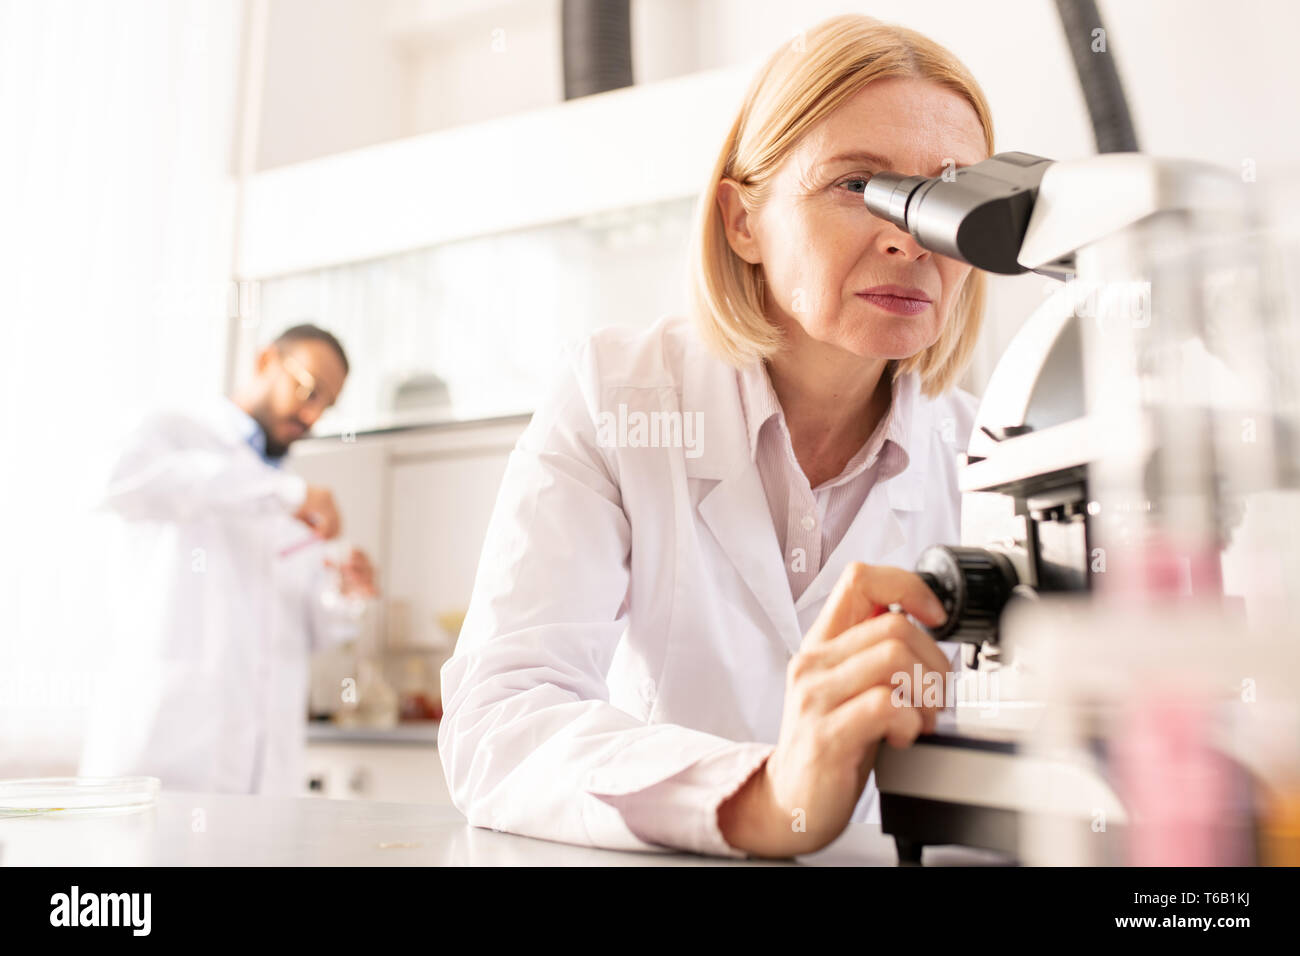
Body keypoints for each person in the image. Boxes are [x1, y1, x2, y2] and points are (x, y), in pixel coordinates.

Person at [439, 14, 992, 858]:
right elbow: (501, 721)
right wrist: (766, 795)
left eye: (949, 193)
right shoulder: (616, 397)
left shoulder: (993, 455)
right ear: (742, 221)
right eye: (857, 184)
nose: (907, 234)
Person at [80, 324, 379, 795]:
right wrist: (286, 494)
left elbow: (310, 631)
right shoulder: (176, 432)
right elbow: (112, 482)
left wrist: (344, 593)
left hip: (263, 777)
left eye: (326, 405)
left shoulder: (284, 491)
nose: (312, 414)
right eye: (308, 390)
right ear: (265, 362)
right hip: (166, 761)